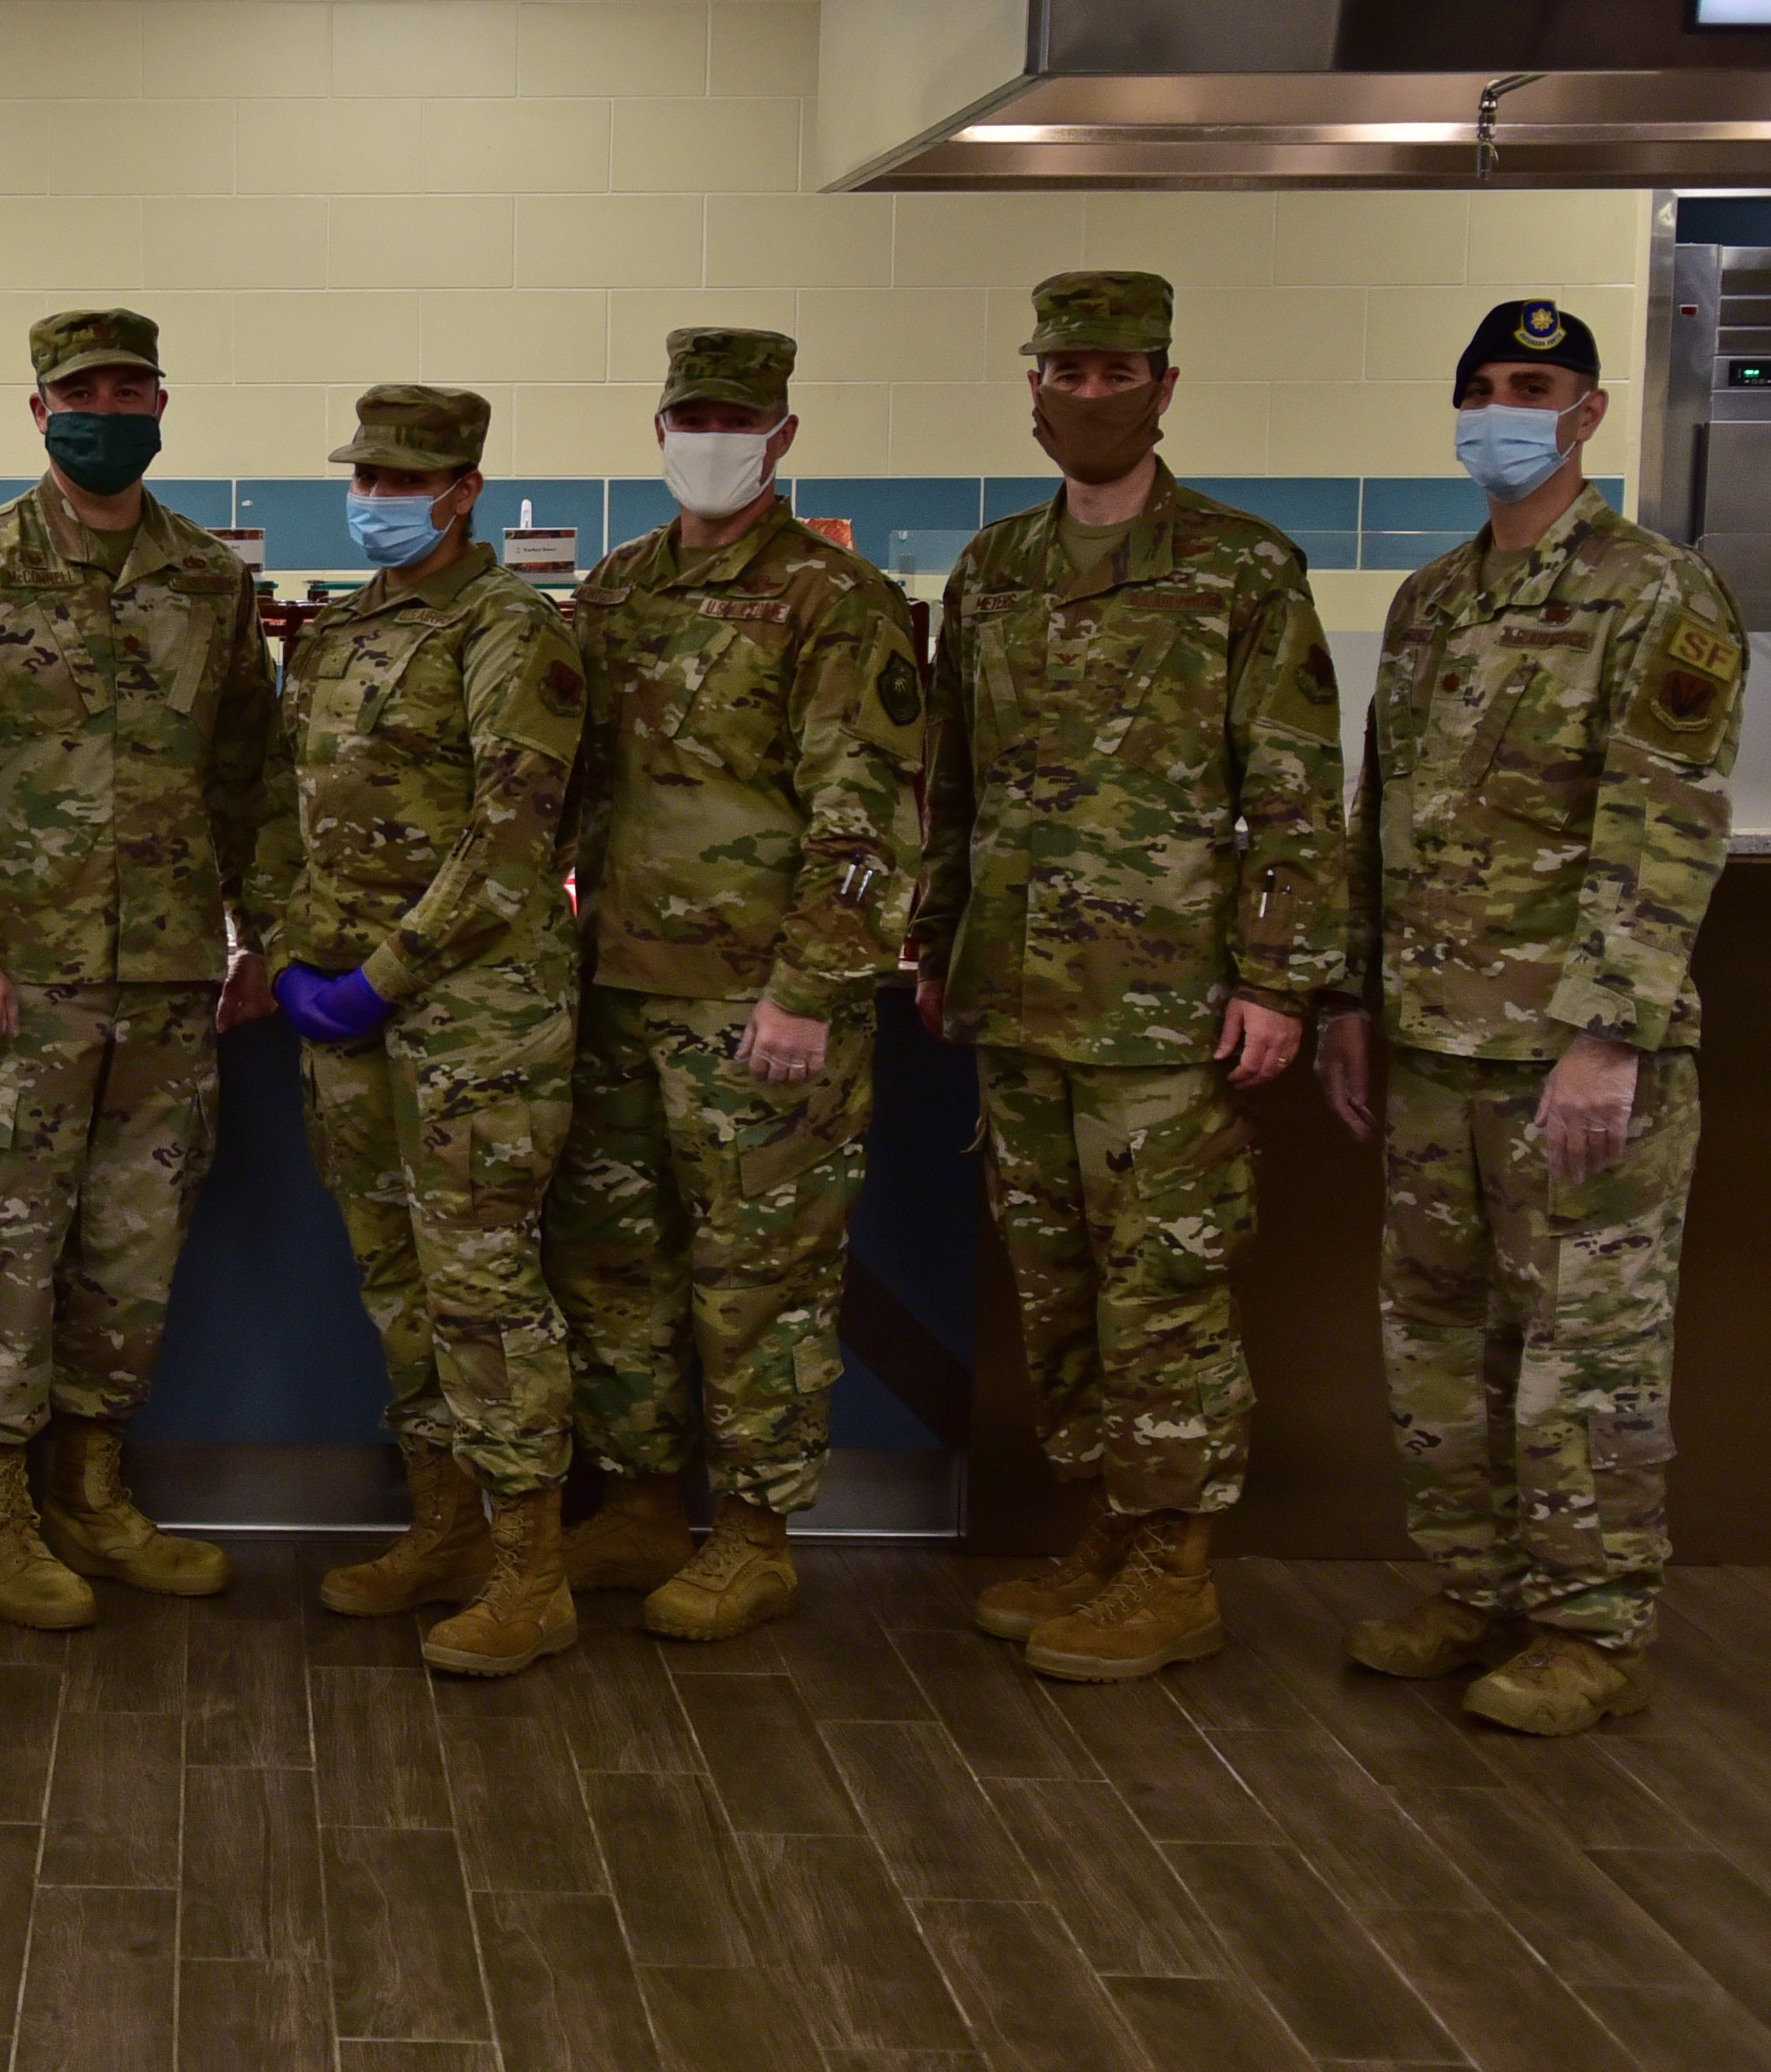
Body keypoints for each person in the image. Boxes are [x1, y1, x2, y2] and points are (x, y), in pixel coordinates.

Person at [1317, 300, 1744, 1736]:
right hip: (1435, 1039)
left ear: (1587, 411)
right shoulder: (1433, 599)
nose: (1504, 410)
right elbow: (1379, 809)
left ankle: (1588, 1624)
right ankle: (1474, 1584)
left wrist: (1607, 1036)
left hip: (1570, 1054)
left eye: (1534, 385)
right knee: (1439, 1341)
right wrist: (1351, 997)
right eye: (1485, 387)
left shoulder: (1654, 592)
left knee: (1584, 1351)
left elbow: (1663, 824)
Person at [917, 271, 1349, 1683]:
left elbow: (1294, 789)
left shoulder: (1240, 567)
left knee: (1163, 1288)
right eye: (1066, 371)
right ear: (1031, 385)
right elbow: (952, 783)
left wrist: (1278, 977)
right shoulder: (992, 570)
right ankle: (1108, 1525)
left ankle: (1176, 1562)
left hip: (1165, 1008)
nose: (1089, 396)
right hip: (1016, 990)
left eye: (1116, 374)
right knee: (1056, 1289)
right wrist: (936, 941)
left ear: (1163, 386)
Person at [0, 309, 277, 1629]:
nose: (108, 411)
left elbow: (249, 780)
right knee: (7, 1251)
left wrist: (260, 937)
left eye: (129, 390)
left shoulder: (209, 580)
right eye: (82, 393)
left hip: (166, 981)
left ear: (160, 403)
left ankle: (93, 1493)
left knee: (132, 1249)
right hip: (16, 989)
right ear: (39, 411)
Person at [546, 330, 925, 1641]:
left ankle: (755, 1534)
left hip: (757, 1007)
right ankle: (643, 1503)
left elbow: (867, 821)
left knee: (758, 1277)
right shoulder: (618, 586)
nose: (709, 440)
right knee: (615, 1264)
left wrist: (808, 988)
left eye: (735, 419)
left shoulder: (836, 599)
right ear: (658, 430)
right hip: (617, 986)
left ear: (781, 436)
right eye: (690, 416)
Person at [248, 383, 589, 1677]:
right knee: (395, 1277)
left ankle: (529, 1570)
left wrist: (381, 974)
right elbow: (282, 803)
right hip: (346, 1011)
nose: (378, 499)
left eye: (403, 480)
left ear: (464, 491)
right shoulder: (338, 633)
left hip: (474, 1016)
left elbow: (511, 836)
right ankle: (443, 1527)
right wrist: (284, 944)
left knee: (484, 1288)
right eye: (366, 477)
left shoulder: (511, 630)